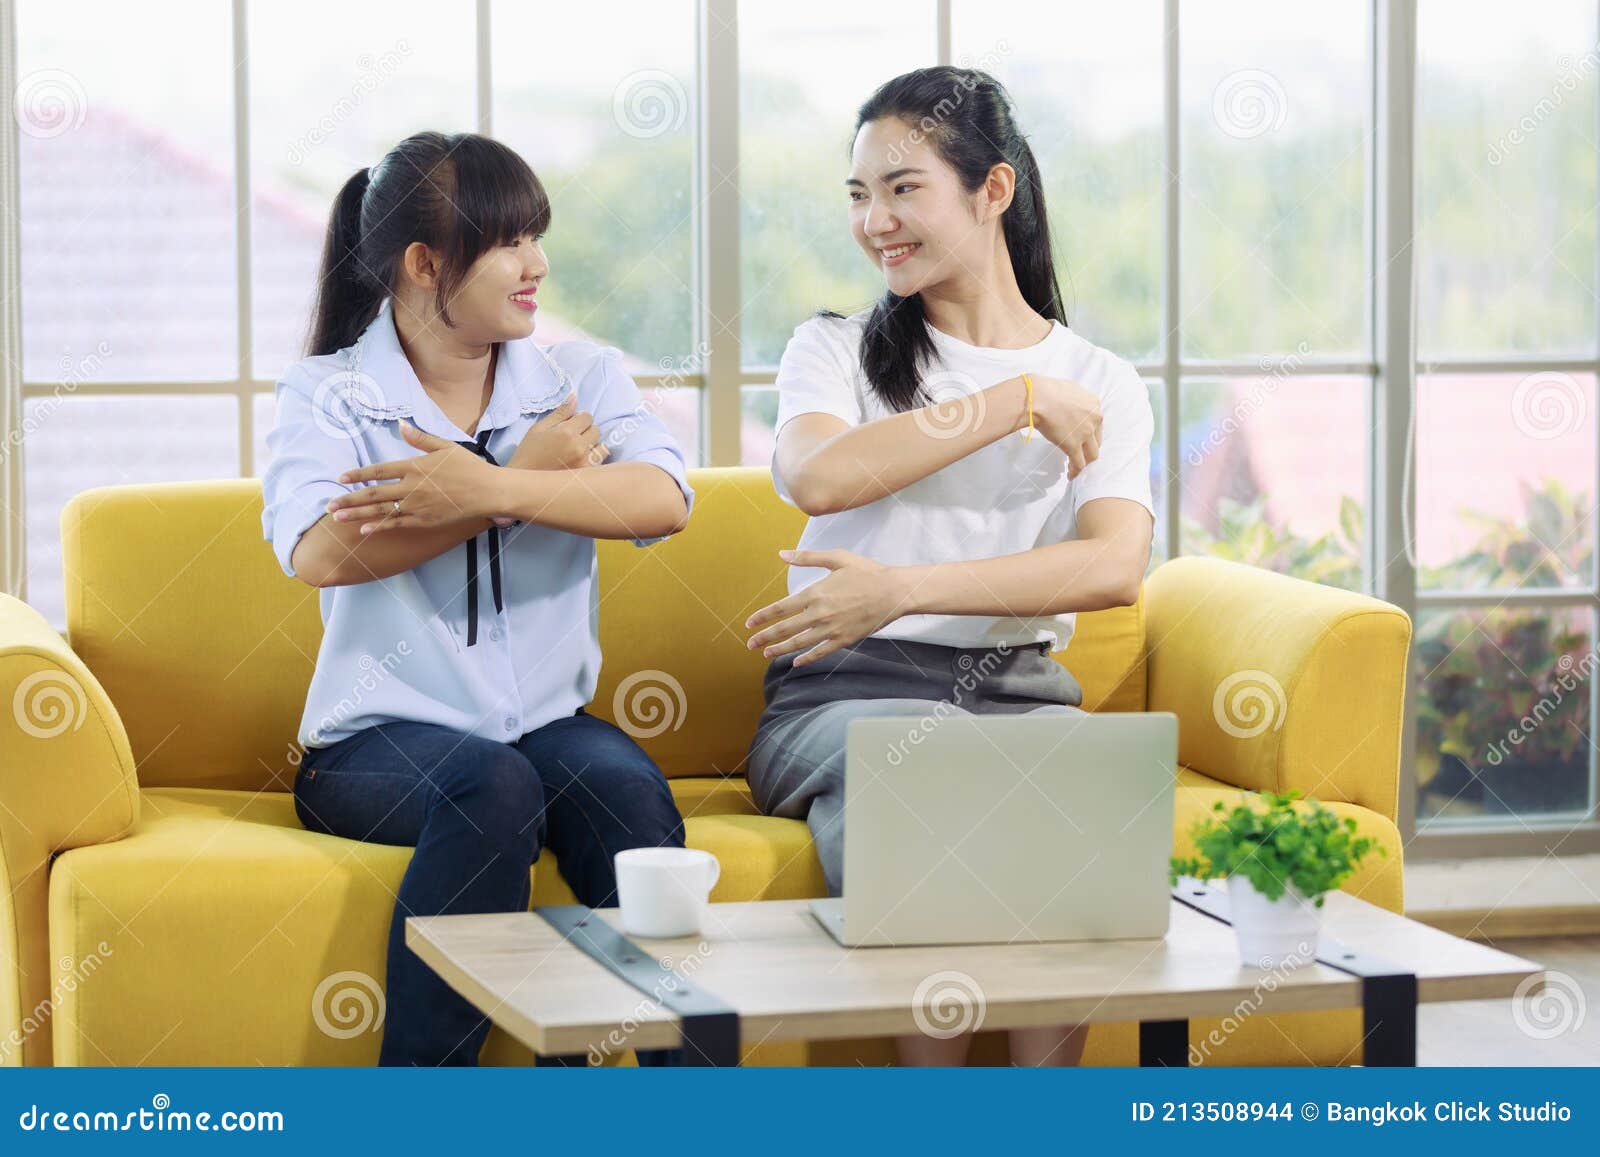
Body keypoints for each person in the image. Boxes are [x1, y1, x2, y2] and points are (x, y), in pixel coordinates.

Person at [743, 68, 1156, 1067]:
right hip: (840, 694)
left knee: (1077, 792)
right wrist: (1011, 400)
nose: (874, 219)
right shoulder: (833, 348)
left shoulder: (1101, 382)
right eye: (858, 194)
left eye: (901, 188)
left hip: (1020, 688)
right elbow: (820, 474)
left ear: (993, 191)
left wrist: (901, 590)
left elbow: (1112, 565)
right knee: (925, 777)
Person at [260, 130, 693, 1067]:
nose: (537, 265)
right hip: (373, 743)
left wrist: (490, 488)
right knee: (494, 784)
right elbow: (322, 551)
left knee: (626, 792)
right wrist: (516, 473)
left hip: (547, 718)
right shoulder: (329, 396)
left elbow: (661, 497)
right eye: (509, 242)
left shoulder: (581, 379)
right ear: (424, 264)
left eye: (537, 235)